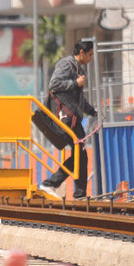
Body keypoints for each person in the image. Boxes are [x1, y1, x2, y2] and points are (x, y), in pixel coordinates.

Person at [38, 41, 98, 199]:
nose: (92, 58)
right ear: (82, 53)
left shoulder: (78, 68)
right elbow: (54, 84)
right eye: (90, 54)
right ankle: (52, 184)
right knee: (80, 154)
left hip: (73, 118)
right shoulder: (66, 64)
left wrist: (92, 111)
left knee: (81, 156)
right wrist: (74, 83)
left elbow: (78, 100)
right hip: (66, 118)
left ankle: (76, 193)